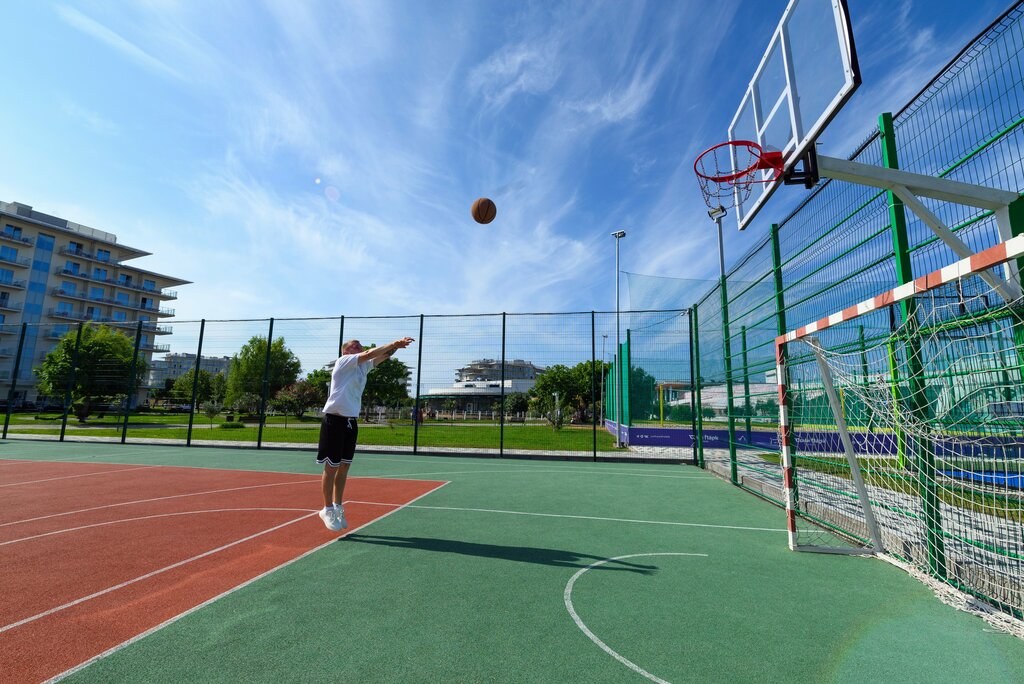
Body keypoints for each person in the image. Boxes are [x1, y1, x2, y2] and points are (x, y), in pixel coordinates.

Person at [317, 336, 415, 531]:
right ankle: (326, 509)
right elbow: (371, 353)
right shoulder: (343, 362)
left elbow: (382, 356)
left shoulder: (363, 367)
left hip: (350, 422)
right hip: (334, 420)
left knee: (344, 467)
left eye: (360, 345)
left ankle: (337, 506)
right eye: (354, 346)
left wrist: (396, 349)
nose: (359, 347)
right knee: (331, 468)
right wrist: (394, 343)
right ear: (346, 351)